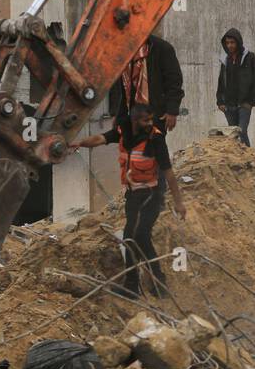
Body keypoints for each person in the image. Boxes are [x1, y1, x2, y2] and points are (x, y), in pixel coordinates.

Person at [71, 104, 186, 298]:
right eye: (145, 120)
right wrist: (80, 143)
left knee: (139, 234)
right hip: (133, 195)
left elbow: (168, 172)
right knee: (131, 237)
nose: (150, 123)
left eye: (151, 119)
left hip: (153, 194)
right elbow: (100, 138)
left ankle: (157, 283)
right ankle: (134, 286)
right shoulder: (123, 131)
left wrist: (178, 202)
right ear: (134, 121)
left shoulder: (156, 138)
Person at [110, 34, 184, 137]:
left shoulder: (161, 48)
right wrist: (115, 113)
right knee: (131, 149)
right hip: (129, 114)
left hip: (154, 114)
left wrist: (172, 111)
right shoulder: (122, 50)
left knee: (154, 148)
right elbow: (117, 84)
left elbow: (174, 82)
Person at [215, 28, 255, 147]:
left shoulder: (249, 58)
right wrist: (220, 101)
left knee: (242, 132)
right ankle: (239, 163)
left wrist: (250, 101)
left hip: (244, 104)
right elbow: (221, 82)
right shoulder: (225, 60)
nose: (230, 45)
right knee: (233, 136)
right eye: (227, 43)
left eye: (232, 42)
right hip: (229, 106)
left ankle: (249, 160)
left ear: (238, 42)